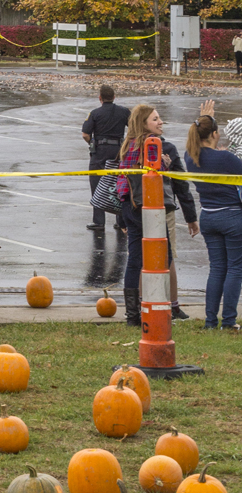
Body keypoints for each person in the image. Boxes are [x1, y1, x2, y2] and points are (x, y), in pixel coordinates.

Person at [116, 104, 198, 327]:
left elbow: (122, 183)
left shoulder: (128, 144)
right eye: (155, 119)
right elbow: (155, 172)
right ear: (144, 123)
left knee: (134, 260)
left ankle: (132, 315)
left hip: (129, 206)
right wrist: (166, 164)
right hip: (149, 208)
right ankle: (157, 306)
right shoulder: (152, 143)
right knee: (163, 257)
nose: (160, 122)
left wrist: (121, 217)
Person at [184, 103, 242, 330]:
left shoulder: (191, 157)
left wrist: (205, 117)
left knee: (217, 268)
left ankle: (210, 321)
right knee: (235, 268)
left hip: (208, 216)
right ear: (215, 134)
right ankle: (228, 321)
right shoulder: (226, 159)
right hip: (232, 217)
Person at [82, 85, 130, 232]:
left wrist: (92, 143)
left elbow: (85, 134)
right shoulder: (124, 112)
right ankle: (121, 220)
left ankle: (99, 221)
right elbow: (134, 128)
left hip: (100, 151)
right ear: (114, 97)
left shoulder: (95, 113)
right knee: (120, 183)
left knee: (97, 183)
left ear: (100, 98)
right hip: (118, 150)